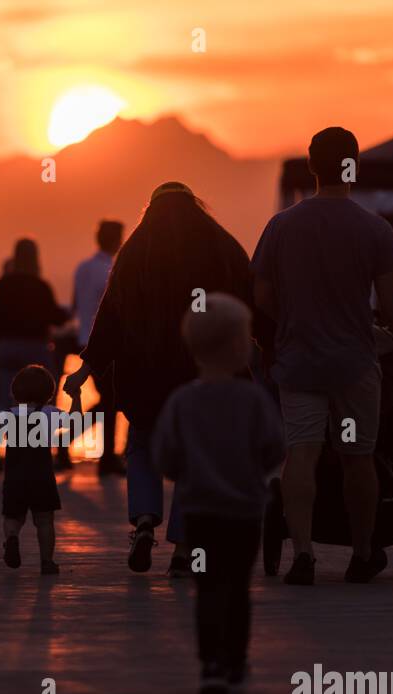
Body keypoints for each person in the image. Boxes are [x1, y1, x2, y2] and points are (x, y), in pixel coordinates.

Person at [64, 182, 263, 577]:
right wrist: (265, 348)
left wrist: (87, 366)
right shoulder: (221, 247)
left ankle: (143, 521)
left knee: (141, 448)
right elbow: (249, 302)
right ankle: (184, 547)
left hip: (145, 376)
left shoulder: (135, 253)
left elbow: (111, 319)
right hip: (201, 373)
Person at [252, 127, 393, 585]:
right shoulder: (374, 229)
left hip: (299, 360)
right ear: (352, 166)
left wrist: (295, 317)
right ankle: (362, 554)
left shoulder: (281, 226)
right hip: (354, 365)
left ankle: (303, 554)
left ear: (311, 168)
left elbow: (261, 293)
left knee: (300, 453)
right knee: (358, 456)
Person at [154, 294, 285, 694]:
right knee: (238, 587)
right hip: (244, 514)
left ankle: (210, 662)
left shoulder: (181, 401)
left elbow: (166, 456)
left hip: (199, 515)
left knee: (207, 586)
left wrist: (188, 476)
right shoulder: (252, 400)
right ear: (238, 345)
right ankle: (235, 660)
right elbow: (273, 449)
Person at [0, 238, 67, 469]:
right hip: (35, 347)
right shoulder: (40, 286)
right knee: (41, 398)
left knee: (3, 398)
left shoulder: (3, 285)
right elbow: (55, 317)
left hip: (7, 346)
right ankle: (38, 449)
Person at [0, 364, 63, 574]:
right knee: (44, 521)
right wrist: (77, 396)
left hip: (15, 478)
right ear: (49, 394)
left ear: (15, 393)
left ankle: (12, 538)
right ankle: (47, 561)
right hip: (42, 478)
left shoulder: (10, 414)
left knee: (13, 517)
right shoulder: (49, 413)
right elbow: (77, 419)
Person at [69, 219, 125, 476]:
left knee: (109, 399)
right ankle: (106, 457)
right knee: (111, 400)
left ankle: (70, 440)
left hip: (81, 339)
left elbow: (74, 305)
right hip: (103, 343)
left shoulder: (82, 268)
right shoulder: (112, 270)